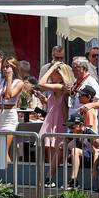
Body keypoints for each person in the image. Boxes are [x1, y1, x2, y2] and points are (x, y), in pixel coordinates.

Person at [37, 60, 73, 188]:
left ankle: (50, 178)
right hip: (53, 119)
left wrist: (51, 68)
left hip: (57, 121)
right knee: (53, 152)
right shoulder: (59, 88)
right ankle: (50, 178)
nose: (51, 75)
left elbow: (41, 83)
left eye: (54, 73)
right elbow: (55, 104)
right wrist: (45, 100)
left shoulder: (60, 87)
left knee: (56, 152)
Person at [0, 57, 24, 174]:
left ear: (14, 68)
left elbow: (9, 95)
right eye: (4, 66)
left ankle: (8, 177)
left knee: (3, 149)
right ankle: (2, 176)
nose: (6, 69)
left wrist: (10, 79)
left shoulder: (19, 82)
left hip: (10, 116)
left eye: (8, 66)